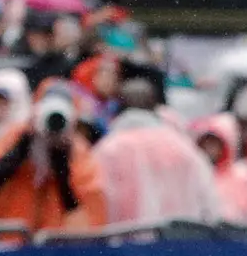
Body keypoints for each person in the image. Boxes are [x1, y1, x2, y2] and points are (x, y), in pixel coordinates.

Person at [0, 79, 107, 232]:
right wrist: (21, 148)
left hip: (56, 245)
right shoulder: (15, 137)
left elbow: (89, 217)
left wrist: (63, 170)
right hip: (12, 240)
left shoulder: (78, 152)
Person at [94, 77, 222, 226]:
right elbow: (209, 201)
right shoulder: (182, 146)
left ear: (118, 108)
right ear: (155, 107)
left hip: (125, 244)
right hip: (179, 243)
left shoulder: (107, 150)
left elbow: (96, 202)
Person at [191, 114, 247, 222]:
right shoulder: (195, 175)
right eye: (206, 143)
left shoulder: (241, 176)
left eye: (214, 144)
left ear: (224, 146)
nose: (209, 149)